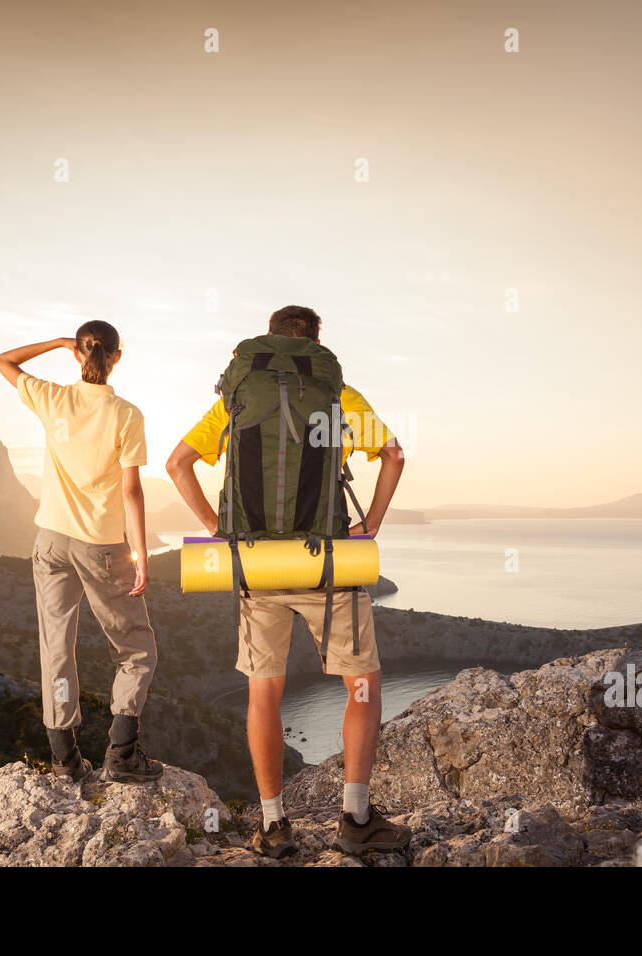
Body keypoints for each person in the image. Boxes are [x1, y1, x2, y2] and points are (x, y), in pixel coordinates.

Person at [165, 305, 409, 857]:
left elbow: (178, 464)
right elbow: (393, 456)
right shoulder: (334, 393)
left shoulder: (238, 394)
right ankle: (356, 817)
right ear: (316, 344)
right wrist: (368, 524)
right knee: (362, 687)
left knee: (263, 696)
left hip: (258, 566)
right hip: (329, 566)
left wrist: (216, 528)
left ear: (269, 341)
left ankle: (274, 827)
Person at [0, 321, 162, 784]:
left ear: (78, 354)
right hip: (101, 547)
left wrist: (56, 343)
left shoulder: (52, 398)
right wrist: (141, 554)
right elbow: (132, 492)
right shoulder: (126, 414)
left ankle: (65, 759)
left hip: (49, 540)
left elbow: (3, 361)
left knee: (56, 646)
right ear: (117, 357)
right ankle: (122, 754)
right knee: (135, 648)